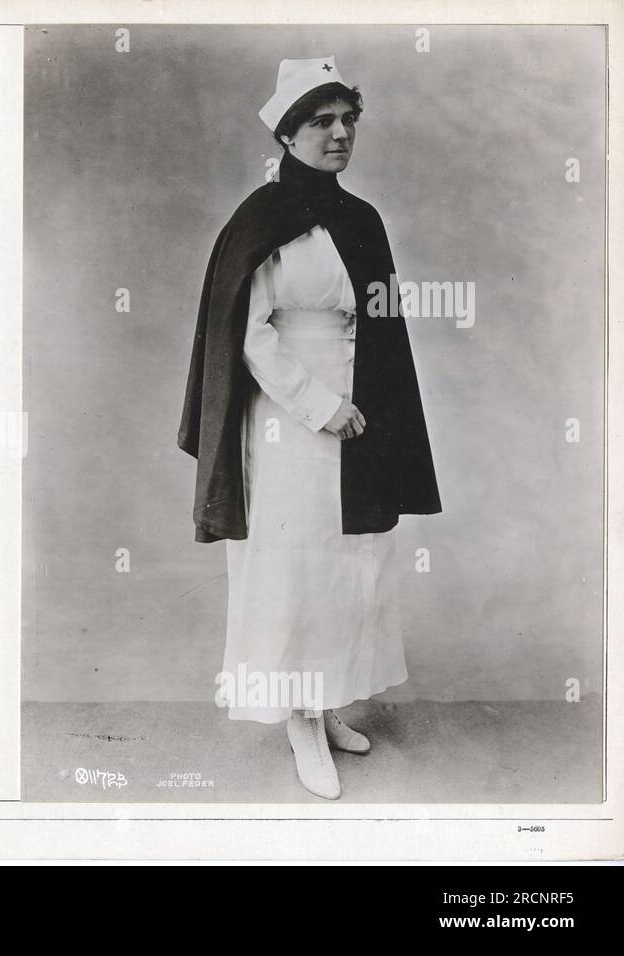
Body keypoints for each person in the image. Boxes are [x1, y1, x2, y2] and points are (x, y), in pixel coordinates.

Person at [177, 57, 442, 799]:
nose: (340, 134)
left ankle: (324, 705)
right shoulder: (261, 220)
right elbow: (250, 334)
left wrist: (373, 405)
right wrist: (321, 405)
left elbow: (383, 325)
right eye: (322, 122)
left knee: (346, 564)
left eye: (348, 121)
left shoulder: (361, 219)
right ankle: (296, 717)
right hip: (289, 421)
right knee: (292, 565)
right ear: (289, 134)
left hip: (358, 415)